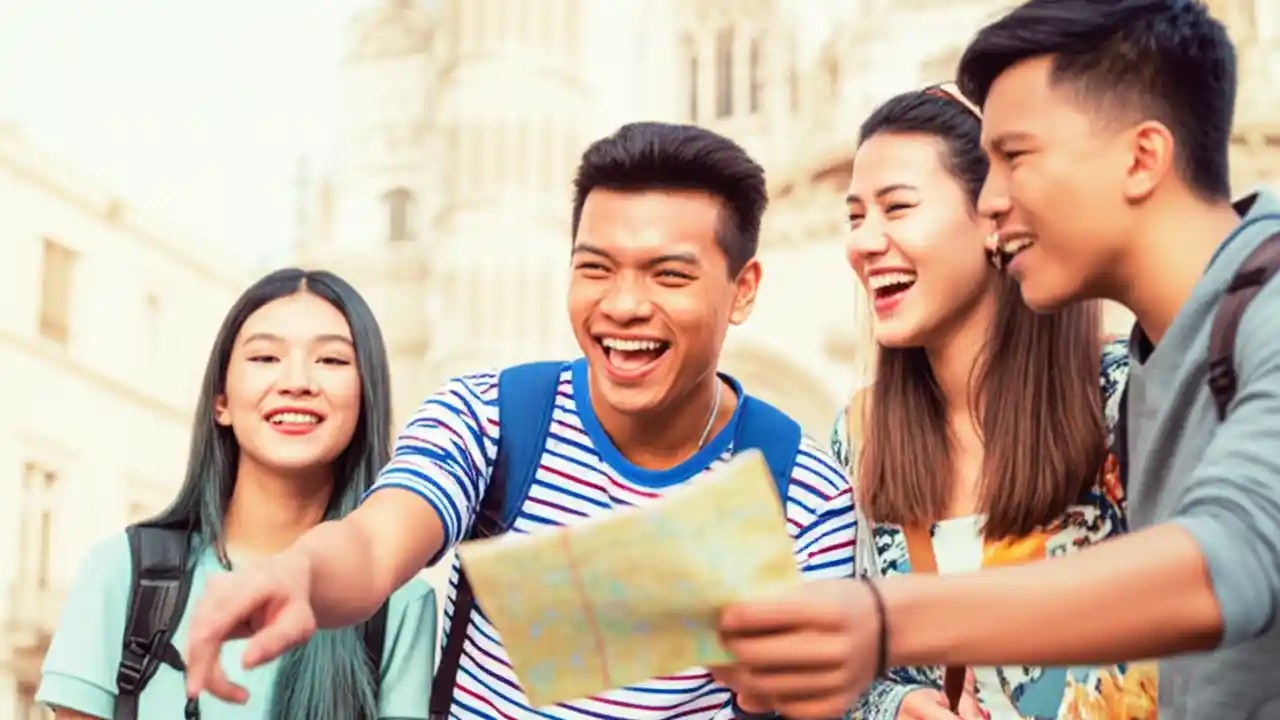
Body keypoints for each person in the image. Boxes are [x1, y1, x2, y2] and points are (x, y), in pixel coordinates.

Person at [712, 1, 1280, 719]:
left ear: (1142, 157)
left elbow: (1233, 559)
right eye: (853, 216)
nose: (996, 201)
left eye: (1016, 159)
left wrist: (881, 620)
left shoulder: (1218, 340)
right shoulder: (1164, 363)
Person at [180, 123, 857, 719]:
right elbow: (376, 540)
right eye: (595, 268)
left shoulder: (809, 495)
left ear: (743, 290)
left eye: (668, 277)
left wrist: (776, 687)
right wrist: (302, 574)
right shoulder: (489, 420)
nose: (622, 305)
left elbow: (817, 698)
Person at [827, 84, 1143, 720]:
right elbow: (843, 666)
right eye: (856, 217)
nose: (863, 243)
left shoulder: (1124, 398)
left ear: (992, 215)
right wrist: (899, 703)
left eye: (897, 208)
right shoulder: (859, 438)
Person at [36, 268, 438, 720]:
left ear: (367, 401)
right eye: (266, 357)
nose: (297, 382)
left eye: (332, 361)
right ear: (220, 401)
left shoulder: (401, 606)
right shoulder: (126, 573)